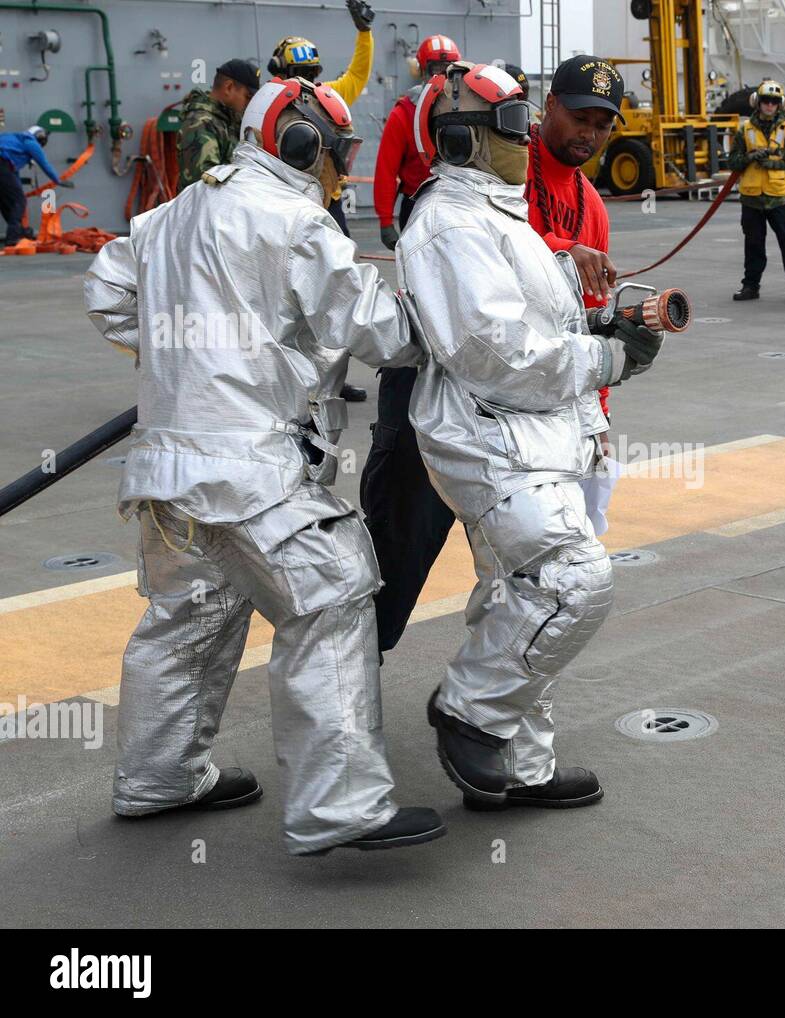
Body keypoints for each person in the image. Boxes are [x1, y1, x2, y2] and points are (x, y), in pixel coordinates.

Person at [82, 77, 443, 855]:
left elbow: (108, 291)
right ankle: (342, 806)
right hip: (246, 465)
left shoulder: (170, 215)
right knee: (333, 590)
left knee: (190, 616)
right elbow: (382, 332)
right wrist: (443, 325)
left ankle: (159, 779)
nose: (338, 171)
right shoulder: (292, 220)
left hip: (166, 468)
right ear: (299, 140)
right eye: (336, 153)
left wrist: (178, 357)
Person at [399, 62, 664, 810]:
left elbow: (543, 324)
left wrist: (602, 328)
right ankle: (469, 711)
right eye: (517, 125)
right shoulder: (452, 223)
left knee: (520, 594)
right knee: (573, 581)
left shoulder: (499, 215)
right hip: (494, 442)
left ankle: (520, 768)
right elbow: (498, 356)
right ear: (468, 138)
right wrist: (608, 356)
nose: (534, 139)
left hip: (541, 436)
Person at [358, 53, 623, 656]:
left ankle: (489, 723)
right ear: (546, 107)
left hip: (527, 418)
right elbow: (474, 255)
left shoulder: (594, 207)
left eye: (603, 124)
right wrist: (562, 249)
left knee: (532, 582)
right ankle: (342, 713)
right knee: (392, 562)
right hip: (438, 392)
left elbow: (583, 322)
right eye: (579, 116)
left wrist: (595, 419)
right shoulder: (492, 159)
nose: (589, 133)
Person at [267, 0, 376, 402]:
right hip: (283, 210)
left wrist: (365, 34)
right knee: (284, 295)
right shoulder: (268, 108)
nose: (305, 82)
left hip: (327, 207)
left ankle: (330, 375)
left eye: (309, 74)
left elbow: (358, 74)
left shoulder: (328, 98)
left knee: (333, 293)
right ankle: (284, 372)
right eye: (297, 74)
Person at [374, 34, 460, 251]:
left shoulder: (470, 109)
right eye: (436, 69)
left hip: (459, 204)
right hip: (417, 208)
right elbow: (386, 169)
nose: (442, 76)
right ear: (423, 71)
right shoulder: (403, 113)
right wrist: (385, 221)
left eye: (449, 70)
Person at [728, 80, 785, 304]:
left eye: (774, 101)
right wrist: (750, 157)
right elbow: (732, 161)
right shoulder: (745, 130)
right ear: (757, 102)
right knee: (753, 246)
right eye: (765, 101)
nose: (769, 105)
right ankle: (750, 286)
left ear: (780, 104)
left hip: (778, 198)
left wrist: (770, 163)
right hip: (752, 198)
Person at [177, 59, 261, 191]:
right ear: (228, 87)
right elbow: (204, 184)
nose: (250, 103)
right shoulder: (201, 123)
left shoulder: (228, 121)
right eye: (248, 96)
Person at [1, 126, 72, 245]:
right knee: (19, 201)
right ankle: (13, 238)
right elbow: (44, 164)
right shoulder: (31, 142)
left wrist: (18, 189)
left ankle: (20, 232)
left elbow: (14, 171)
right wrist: (58, 180)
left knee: (5, 201)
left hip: (5, 167)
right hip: (2, 167)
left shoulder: (14, 138)